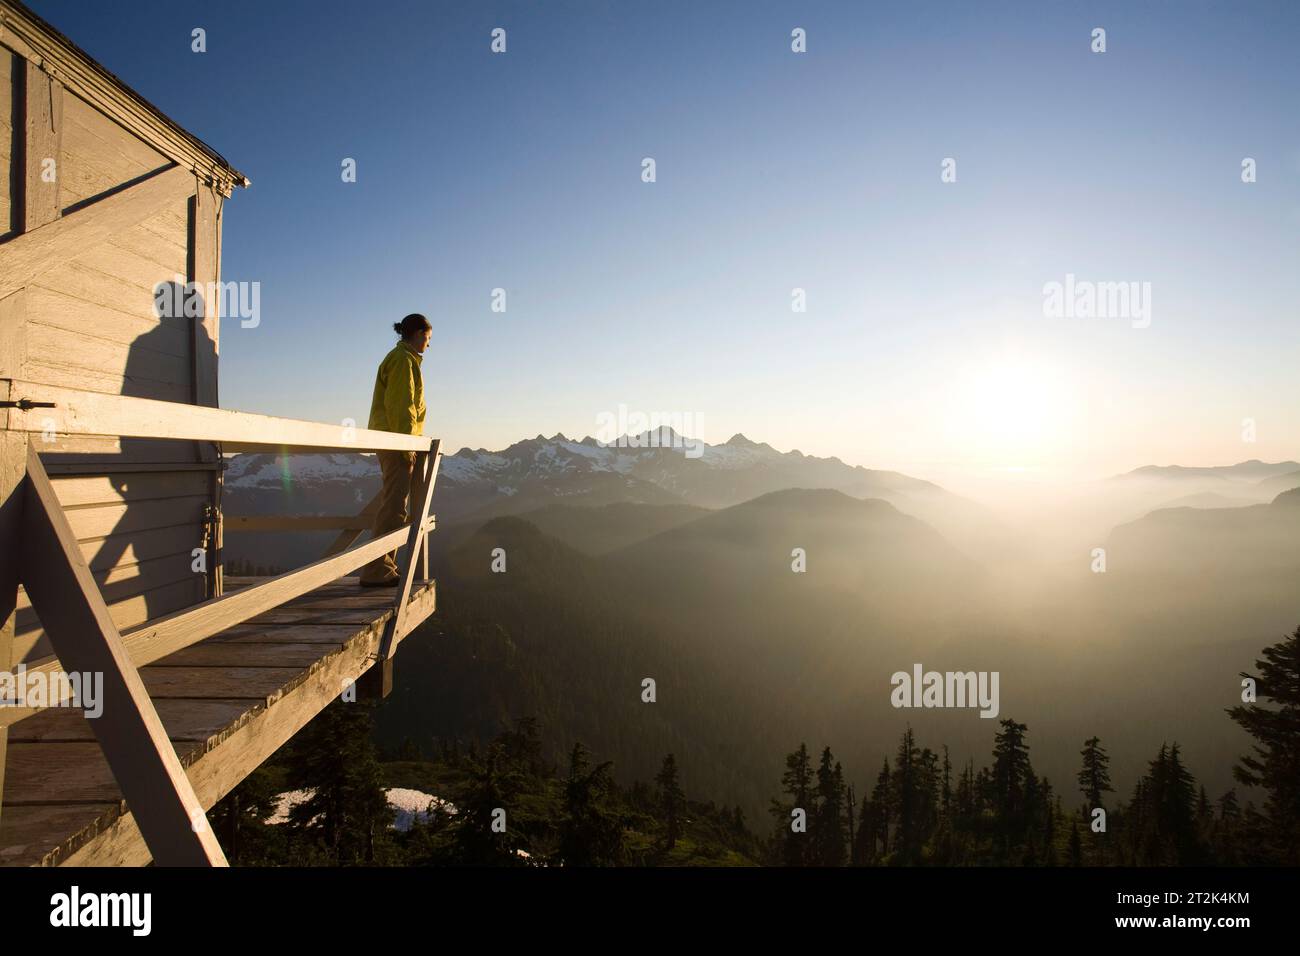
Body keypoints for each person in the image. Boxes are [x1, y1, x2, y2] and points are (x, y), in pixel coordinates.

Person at [359, 313, 431, 586]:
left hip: (393, 440)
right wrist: (407, 446)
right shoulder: (403, 360)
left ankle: (384, 566)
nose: (428, 344)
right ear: (415, 334)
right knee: (394, 506)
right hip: (396, 441)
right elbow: (401, 406)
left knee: (395, 504)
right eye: (426, 338)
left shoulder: (402, 358)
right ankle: (377, 569)